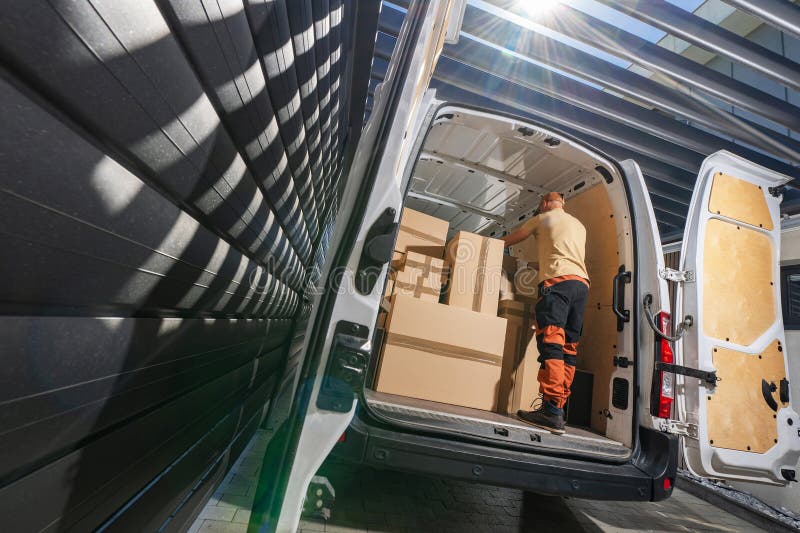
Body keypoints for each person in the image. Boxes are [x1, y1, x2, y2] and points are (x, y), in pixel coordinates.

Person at [502, 192, 589, 435]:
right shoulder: (578, 225)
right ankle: (558, 406)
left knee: (551, 341)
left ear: (543, 204)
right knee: (569, 347)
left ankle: (550, 410)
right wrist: (529, 265)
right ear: (564, 204)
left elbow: (511, 240)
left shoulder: (542, 218)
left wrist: (481, 244)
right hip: (580, 285)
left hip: (557, 284)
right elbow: (561, 256)